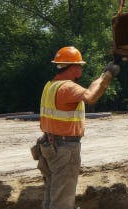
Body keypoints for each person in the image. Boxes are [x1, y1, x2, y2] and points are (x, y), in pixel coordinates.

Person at [36, 46, 120, 209]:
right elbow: (91, 96)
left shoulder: (51, 85)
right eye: (79, 65)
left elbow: (89, 88)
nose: (81, 68)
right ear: (73, 67)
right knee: (62, 202)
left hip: (49, 147)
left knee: (51, 196)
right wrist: (108, 77)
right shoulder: (68, 87)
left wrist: (104, 74)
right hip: (64, 149)